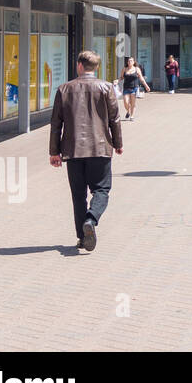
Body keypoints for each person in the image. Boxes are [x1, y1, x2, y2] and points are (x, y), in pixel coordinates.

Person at [49, 51, 122, 252]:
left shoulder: (64, 89)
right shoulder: (106, 87)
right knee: (101, 190)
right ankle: (91, 219)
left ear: (79, 65)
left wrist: (54, 152)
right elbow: (114, 118)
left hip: (73, 151)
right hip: (99, 148)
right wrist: (117, 143)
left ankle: (82, 237)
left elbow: (56, 123)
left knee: (78, 195)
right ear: (96, 68)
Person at [118, 56, 150, 120]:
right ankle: (128, 111)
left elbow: (141, 78)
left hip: (134, 88)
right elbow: (121, 77)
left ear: (133, 62)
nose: (130, 62)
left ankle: (132, 116)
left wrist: (146, 86)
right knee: (125, 102)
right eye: (129, 61)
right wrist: (117, 81)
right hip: (126, 88)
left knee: (133, 102)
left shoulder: (137, 69)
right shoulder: (124, 69)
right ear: (127, 62)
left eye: (131, 61)